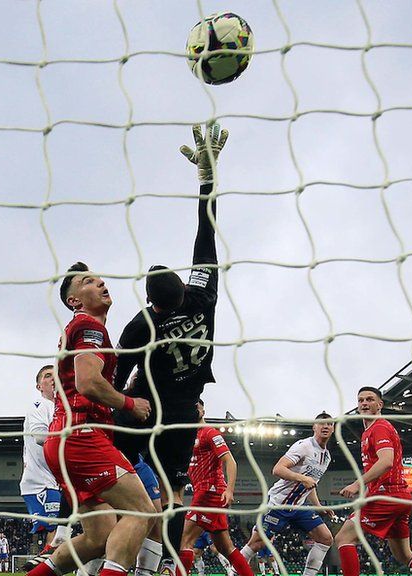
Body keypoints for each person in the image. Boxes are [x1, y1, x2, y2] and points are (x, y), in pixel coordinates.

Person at [113, 123, 228, 564]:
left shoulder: (141, 324)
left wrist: (123, 406)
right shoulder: (204, 293)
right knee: (174, 492)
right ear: (183, 287)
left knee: (112, 475)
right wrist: (207, 179)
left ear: (152, 302)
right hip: (184, 411)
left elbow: (119, 376)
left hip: (147, 407)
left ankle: (99, 548)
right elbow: (207, 230)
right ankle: (169, 565)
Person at [27, 262, 157, 576]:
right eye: (88, 281)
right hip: (82, 434)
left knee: (98, 536)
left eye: (100, 279)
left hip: (65, 440)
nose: (100, 283)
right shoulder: (89, 326)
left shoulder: (81, 329)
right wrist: (129, 403)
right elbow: (88, 383)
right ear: (74, 300)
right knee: (143, 511)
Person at [336, 387, 412, 576]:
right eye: (361, 400)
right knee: (403, 554)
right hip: (400, 498)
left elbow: (386, 462)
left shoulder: (379, 427)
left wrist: (357, 484)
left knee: (344, 537)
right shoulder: (369, 431)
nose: (364, 403)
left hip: (388, 495)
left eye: (369, 399)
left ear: (380, 404)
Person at [240, 413, 336, 576]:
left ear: (333, 429)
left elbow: (310, 485)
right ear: (314, 427)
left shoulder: (326, 457)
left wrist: (318, 506)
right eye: (321, 423)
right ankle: (234, 570)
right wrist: (302, 478)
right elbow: (278, 469)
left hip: (299, 506)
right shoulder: (303, 446)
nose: (325, 426)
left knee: (326, 538)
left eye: (329, 424)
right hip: (280, 504)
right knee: (257, 544)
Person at [177, 400, 252, 576]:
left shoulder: (210, 433)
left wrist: (229, 490)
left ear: (203, 410)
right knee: (225, 547)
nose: (194, 410)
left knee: (185, 541)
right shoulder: (188, 437)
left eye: (197, 406)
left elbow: (230, 461)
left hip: (209, 492)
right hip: (205, 492)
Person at [21, 364, 72, 570]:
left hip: (59, 480)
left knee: (60, 535)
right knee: (55, 534)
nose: (53, 379)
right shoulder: (38, 405)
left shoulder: (65, 408)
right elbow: (41, 437)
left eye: (56, 376)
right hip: (42, 481)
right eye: (47, 376)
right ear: (39, 386)